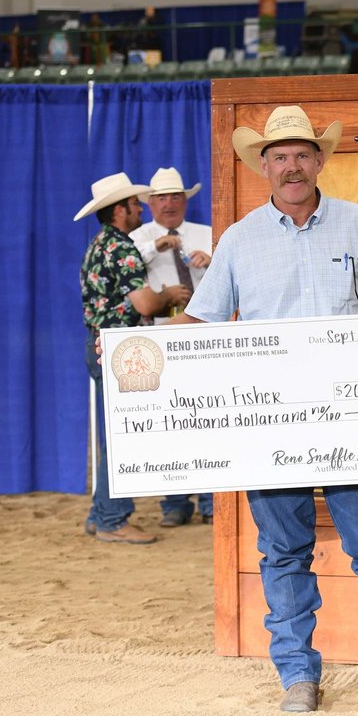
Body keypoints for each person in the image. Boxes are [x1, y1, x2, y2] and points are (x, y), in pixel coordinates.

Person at [171, 105, 358, 715]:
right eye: (279, 156)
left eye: (301, 155)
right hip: (270, 423)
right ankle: (297, 676)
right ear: (263, 166)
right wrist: (138, 346)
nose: (291, 166)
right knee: (283, 551)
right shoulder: (238, 239)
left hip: (354, 417)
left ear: (320, 160)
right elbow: (200, 321)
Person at [75, 172, 191, 544]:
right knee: (121, 438)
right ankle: (112, 518)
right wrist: (168, 295)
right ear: (119, 210)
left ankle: (101, 513)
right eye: (134, 203)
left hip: (100, 344)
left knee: (114, 434)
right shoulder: (122, 248)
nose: (140, 208)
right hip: (120, 350)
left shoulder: (99, 244)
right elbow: (144, 303)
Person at [131, 166, 215, 528]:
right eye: (162, 197)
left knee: (210, 417)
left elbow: (232, 274)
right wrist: (155, 248)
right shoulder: (137, 239)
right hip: (160, 332)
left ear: (185, 201)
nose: (169, 203)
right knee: (170, 421)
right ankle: (175, 502)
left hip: (203, 334)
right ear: (149, 203)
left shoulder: (207, 234)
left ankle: (212, 500)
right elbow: (126, 268)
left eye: (176, 196)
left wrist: (211, 264)